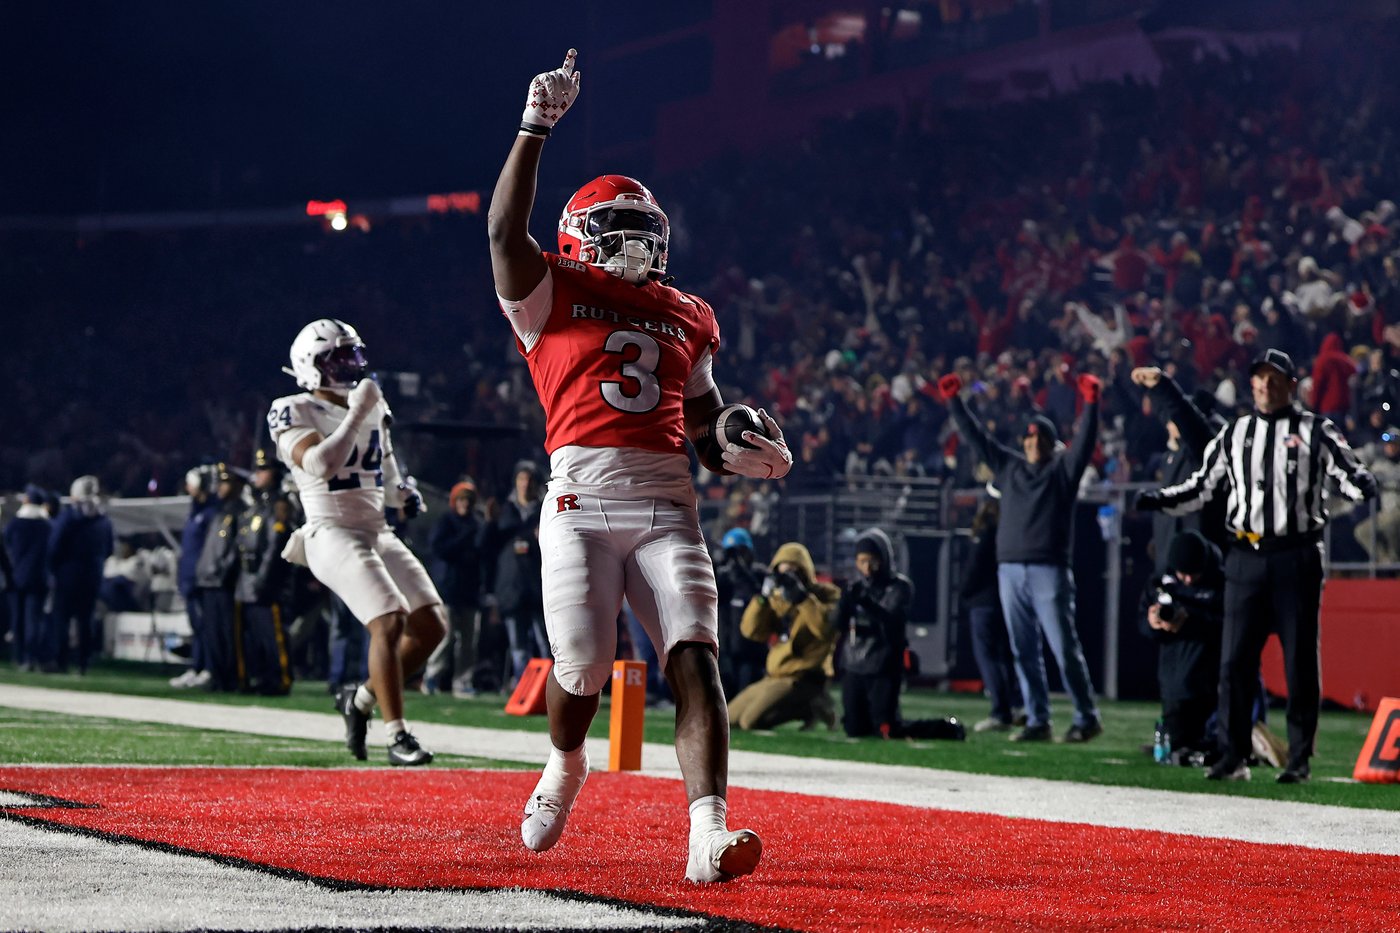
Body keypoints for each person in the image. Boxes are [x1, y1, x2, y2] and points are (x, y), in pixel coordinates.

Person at [487, 49, 792, 883]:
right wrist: (534, 127)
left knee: (696, 652)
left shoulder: (687, 312)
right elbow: (500, 232)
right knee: (581, 665)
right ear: (582, 238)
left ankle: (707, 833)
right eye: (619, 232)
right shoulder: (546, 290)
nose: (636, 247)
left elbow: (703, 419)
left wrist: (739, 438)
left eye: (644, 233)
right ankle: (566, 761)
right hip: (579, 500)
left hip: (666, 503)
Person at [1137, 348, 1377, 783]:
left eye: (1273, 378)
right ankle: (1233, 755)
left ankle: (1300, 758)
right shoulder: (1236, 433)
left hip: (1296, 554)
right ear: (1251, 384)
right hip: (1244, 555)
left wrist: (1361, 485)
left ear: (1290, 383)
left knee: (1299, 659)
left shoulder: (1315, 430)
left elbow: (1347, 471)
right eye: (1259, 379)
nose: (1265, 386)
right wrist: (1162, 499)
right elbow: (1202, 484)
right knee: (1234, 662)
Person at [269, 318, 446, 766]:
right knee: (388, 621)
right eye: (337, 358)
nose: (349, 365)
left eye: (352, 354)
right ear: (310, 366)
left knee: (433, 625)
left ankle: (361, 700)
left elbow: (384, 468)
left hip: (375, 529)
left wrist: (402, 492)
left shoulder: (368, 402)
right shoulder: (291, 408)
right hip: (330, 530)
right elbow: (318, 464)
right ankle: (397, 736)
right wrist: (356, 413)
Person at [940, 371, 1104, 743]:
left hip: (1048, 569)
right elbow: (977, 439)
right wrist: (954, 403)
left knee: (1064, 648)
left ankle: (1086, 716)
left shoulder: (1061, 470)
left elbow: (1084, 444)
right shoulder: (1011, 467)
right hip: (1010, 569)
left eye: (1039, 436)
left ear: (1050, 441)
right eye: (1029, 436)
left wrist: (1092, 403)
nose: (1032, 442)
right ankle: (1037, 719)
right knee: (1023, 651)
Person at [728, 541, 839, 731]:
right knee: (727, 720)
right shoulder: (778, 599)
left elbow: (825, 629)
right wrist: (762, 599)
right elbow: (752, 632)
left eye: (796, 572)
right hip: (775, 676)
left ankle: (811, 706)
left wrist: (803, 599)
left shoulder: (826, 595)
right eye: (785, 572)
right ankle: (808, 707)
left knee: (749, 722)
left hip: (804, 677)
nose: (790, 577)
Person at [234, 449, 295, 696]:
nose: (257, 475)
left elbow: (275, 546)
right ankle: (261, 677)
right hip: (247, 580)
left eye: (263, 470)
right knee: (255, 636)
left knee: (274, 635)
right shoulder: (256, 507)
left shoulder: (279, 505)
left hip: (267, 583)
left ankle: (280, 679)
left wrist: (263, 580)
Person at [961, 496, 1023, 733]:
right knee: (1005, 656)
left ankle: (1000, 710)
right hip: (1006, 600)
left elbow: (975, 568)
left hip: (984, 602)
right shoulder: (1011, 531)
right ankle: (1016, 704)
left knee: (989, 657)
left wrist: (965, 592)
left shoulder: (986, 531)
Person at [423, 479, 490, 696]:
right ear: (455, 501)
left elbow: (484, 553)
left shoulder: (478, 523)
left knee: (470, 641)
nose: (466, 504)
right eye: (461, 499)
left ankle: (463, 681)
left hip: (470, 590)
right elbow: (440, 549)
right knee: (447, 636)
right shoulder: (446, 522)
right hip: (449, 589)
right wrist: (465, 537)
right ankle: (432, 676)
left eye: (469, 500)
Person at [47, 475, 114, 674]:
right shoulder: (103, 520)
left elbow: (54, 546)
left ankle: (61, 661)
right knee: (86, 620)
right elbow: (109, 549)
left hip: (68, 574)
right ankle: (84, 662)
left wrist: (56, 568)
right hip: (92, 575)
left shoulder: (68, 517)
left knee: (62, 619)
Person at [192, 465, 246, 692]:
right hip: (209, 581)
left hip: (223, 582)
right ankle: (216, 675)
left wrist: (223, 572)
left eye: (226, 483)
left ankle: (229, 677)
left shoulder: (239, 511)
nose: (220, 487)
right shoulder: (219, 511)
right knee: (212, 632)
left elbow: (235, 548)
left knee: (227, 633)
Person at [171, 466, 220, 688]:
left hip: (200, 580)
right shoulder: (195, 511)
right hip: (189, 578)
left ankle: (208, 669)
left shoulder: (210, 513)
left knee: (204, 627)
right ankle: (196, 667)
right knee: (196, 628)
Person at [712, 528, 769, 698]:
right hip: (726, 651)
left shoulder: (759, 575)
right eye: (732, 553)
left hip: (751, 652)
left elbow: (760, 598)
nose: (737, 558)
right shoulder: (722, 577)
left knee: (745, 700)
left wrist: (743, 574)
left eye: (741, 552)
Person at [4, 484, 51, 671]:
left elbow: (7, 543)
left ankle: (20, 657)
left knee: (18, 620)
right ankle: (32, 658)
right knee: (34, 620)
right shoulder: (46, 525)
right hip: (39, 578)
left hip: (17, 577)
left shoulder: (16, 523)